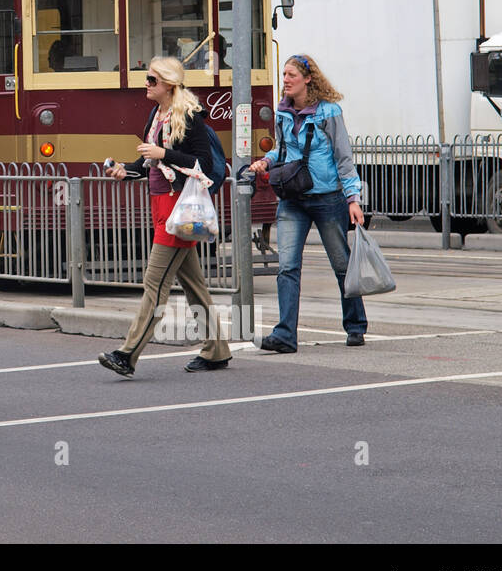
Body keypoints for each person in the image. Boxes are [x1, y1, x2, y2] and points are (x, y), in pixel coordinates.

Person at [97, 56, 233, 378]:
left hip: (179, 209)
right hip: (161, 205)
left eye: (152, 80)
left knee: (154, 283)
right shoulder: (155, 115)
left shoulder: (189, 116)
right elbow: (148, 163)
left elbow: (199, 163)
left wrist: (164, 154)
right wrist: (124, 171)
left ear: (169, 84)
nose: (146, 85)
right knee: (193, 285)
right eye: (147, 79)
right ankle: (216, 350)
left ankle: (127, 354)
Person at [249, 54, 367, 352]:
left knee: (341, 264)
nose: (285, 80)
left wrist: (353, 199)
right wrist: (265, 160)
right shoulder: (282, 112)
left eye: (291, 75)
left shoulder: (329, 112)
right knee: (287, 267)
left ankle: (355, 326)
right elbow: (283, 151)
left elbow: (344, 158)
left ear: (308, 78)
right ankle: (285, 335)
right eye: (284, 75)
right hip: (292, 199)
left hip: (328, 199)